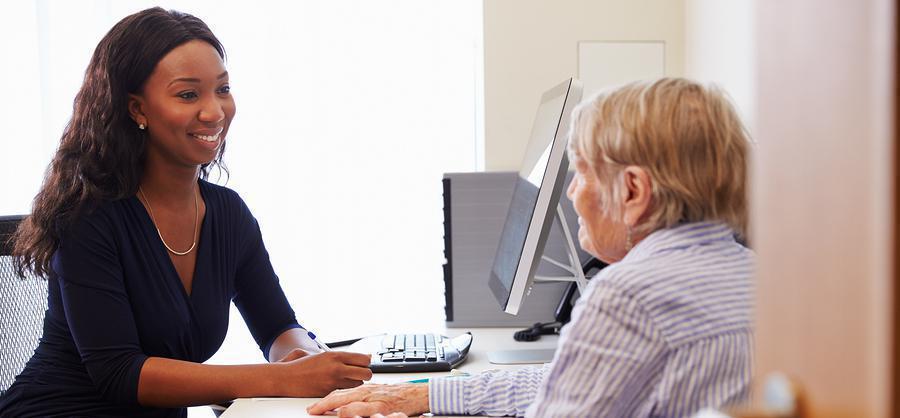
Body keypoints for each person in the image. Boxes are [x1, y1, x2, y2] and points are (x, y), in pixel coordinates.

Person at [0, 7, 371, 417]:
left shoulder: (228, 214)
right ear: (137, 109)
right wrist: (280, 379)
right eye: (188, 95)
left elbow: (278, 326)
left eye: (222, 89)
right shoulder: (88, 218)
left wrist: (305, 358)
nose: (215, 112)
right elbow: (120, 373)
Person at [307, 78, 754, 418]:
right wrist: (427, 394)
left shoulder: (629, 298)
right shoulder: (761, 278)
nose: (572, 192)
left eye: (582, 172)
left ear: (633, 191)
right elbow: (568, 383)